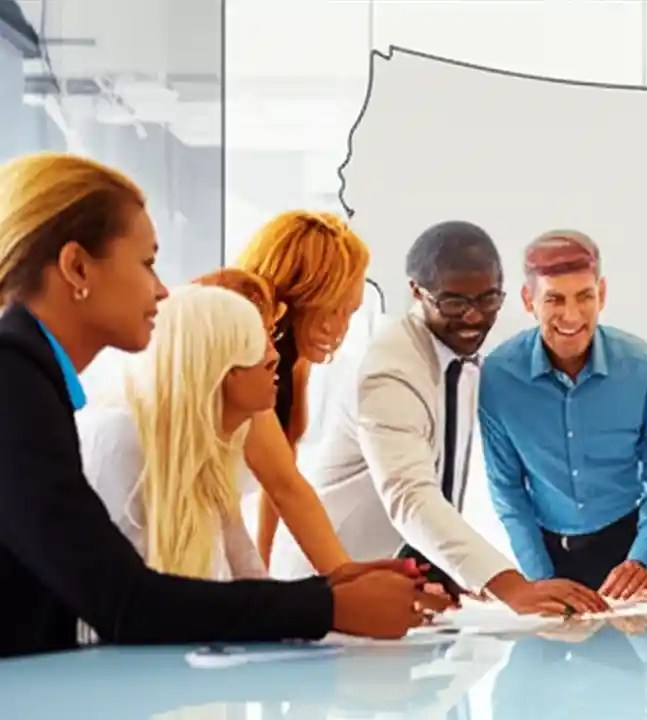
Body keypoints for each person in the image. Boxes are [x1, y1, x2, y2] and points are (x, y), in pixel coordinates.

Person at [0, 151, 439, 657]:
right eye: (147, 263)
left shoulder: (32, 382)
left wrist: (335, 592)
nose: (164, 289)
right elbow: (122, 601)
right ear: (77, 267)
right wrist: (329, 606)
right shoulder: (15, 383)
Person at [270, 221, 608, 615]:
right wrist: (510, 587)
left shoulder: (459, 360)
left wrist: (450, 571)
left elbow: (441, 479)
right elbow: (410, 494)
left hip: (386, 586)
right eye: (453, 302)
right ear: (416, 290)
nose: (473, 317)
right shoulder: (389, 368)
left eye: (488, 299)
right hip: (320, 589)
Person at [479, 230, 647, 599]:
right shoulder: (498, 377)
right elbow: (507, 489)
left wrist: (643, 561)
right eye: (554, 299)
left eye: (585, 296)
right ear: (529, 300)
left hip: (631, 551)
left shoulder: (646, 369)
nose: (571, 315)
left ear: (602, 294)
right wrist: (539, 578)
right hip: (543, 551)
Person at [76, 284, 281, 581]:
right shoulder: (120, 439)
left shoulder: (213, 443)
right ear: (219, 368)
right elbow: (104, 590)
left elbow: (246, 565)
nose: (273, 355)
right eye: (258, 346)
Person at [229, 211, 371, 570]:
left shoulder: (295, 358)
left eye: (350, 312)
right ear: (302, 296)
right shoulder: (240, 350)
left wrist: (263, 567)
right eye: (334, 309)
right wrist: (348, 580)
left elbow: (280, 476)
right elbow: (285, 487)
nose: (340, 329)